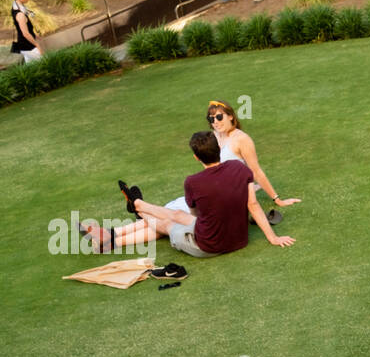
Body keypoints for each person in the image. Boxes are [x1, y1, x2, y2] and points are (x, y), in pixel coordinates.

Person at [81, 131, 293, 257]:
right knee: (176, 216)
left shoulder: (193, 182)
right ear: (219, 148)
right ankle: (114, 234)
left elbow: (194, 216)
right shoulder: (240, 169)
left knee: (168, 223)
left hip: (208, 246)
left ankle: (137, 209)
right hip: (239, 239)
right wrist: (273, 238)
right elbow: (253, 205)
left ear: (195, 157)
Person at [204, 100, 301, 216]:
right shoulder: (213, 136)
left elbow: (256, 171)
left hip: (231, 193)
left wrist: (278, 200)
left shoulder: (241, 139)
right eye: (211, 119)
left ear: (230, 116)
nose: (215, 122)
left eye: (219, 117)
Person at [9, 0, 42, 64]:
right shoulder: (20, 14)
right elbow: (25, 33)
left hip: (25, 46)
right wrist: (37, 45)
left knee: (31, 67)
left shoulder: (17, 6)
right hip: (28, 46)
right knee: (42, 63)